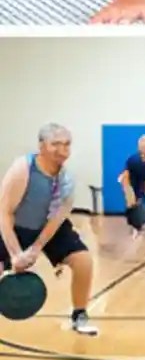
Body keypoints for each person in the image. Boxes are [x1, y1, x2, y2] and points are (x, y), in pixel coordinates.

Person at [0, 123, 98, 336]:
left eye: (67, 144)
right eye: (56, 144)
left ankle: (79, 315)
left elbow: (56, 219)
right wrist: (15, 254)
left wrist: (36, 248)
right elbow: (5, 213)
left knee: (83, 261)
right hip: (14, 226)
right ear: (41, 145)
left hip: (46, 227)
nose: (62, 150)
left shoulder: (67, 181)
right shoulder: (23, 169)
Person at [118, 134, 145, 238]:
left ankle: (137, 226)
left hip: (141, 187)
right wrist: (128, 191)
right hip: (131, 185)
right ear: (140, 148)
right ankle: (135, 228)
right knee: (133, 206)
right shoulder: (134, 160)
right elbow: (126, 176)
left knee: (140, 208)